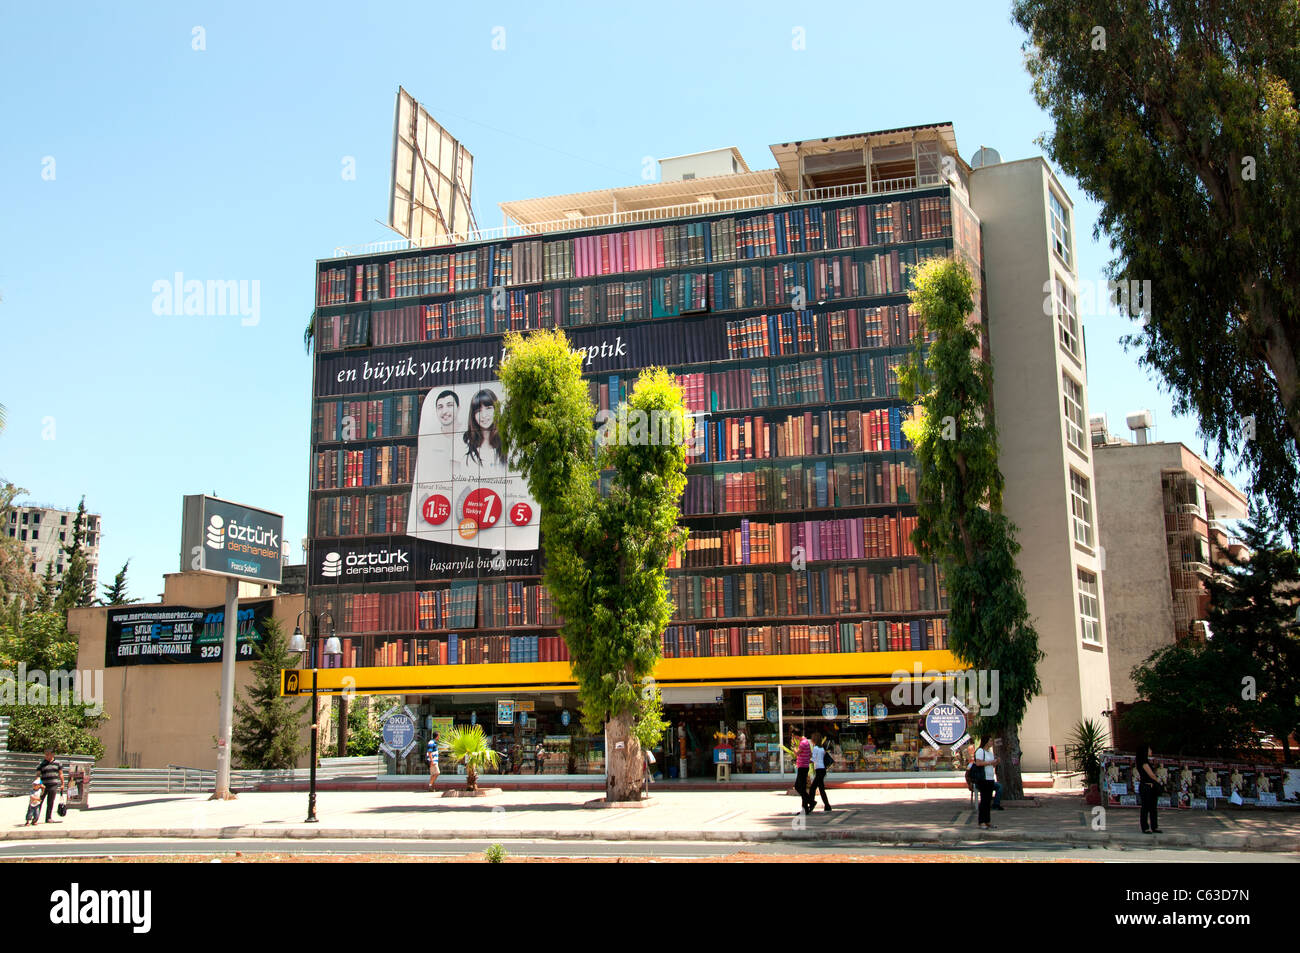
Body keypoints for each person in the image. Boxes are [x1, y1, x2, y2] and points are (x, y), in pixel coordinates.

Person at [463, 389, 506, 470]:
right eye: (478, 410)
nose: (484, 415)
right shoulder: (462, 443)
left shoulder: (507, 442)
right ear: (473, 414)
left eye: (488, 408)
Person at [1136, 743, 1162, 833]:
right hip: (1146, 786)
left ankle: (1155, 826)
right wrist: (1158, 781)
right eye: (1149, 749)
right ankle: (1145, 827)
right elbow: (1151, 774)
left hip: (1152, 787)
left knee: (1153, 808)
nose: (1151, 751)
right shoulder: (1143, 762)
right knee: (1145, 808)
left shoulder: (1147, 761)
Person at [974, 735, 999, 829]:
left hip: (990, 778)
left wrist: (996, 762)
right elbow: (978, 763)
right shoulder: (980, 751)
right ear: (986, 742)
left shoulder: (989, 752)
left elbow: (992, 765)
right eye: (990, 741)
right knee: (984, 800)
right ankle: (981, 821)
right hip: (983, 779)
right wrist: (990, 762)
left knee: (988, 801)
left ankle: (987, 821)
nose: (992, 743)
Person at [37, 749, 64, 824]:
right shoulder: (41, 764)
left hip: (53, 785)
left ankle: (48, 818)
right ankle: (35, 817)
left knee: (50, 802)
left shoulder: (58, 763)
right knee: (39, 801)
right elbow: (38, 776)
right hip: (43, 786)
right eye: (45, 754)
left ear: (52, 754)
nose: (46, 756)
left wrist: (62, 784)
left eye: (48, 754)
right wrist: (40, 784)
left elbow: (61, 774)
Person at [809, 733, 832, 812]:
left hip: (819, 770)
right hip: (822, 769)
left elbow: (813, 759)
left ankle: (811, 803)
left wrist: (804, 762)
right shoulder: (822, 748)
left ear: (814, 740)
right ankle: (827, 805)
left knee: (812, 788)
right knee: (821, 789)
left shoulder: (815, 748)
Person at [792, 730, 813, 814]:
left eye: (794, 736)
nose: (794, 738)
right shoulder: (805, 742)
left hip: (802, 767)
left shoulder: (803, 743)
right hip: (803, 766)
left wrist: (794, 746)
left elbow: (797, 753)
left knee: (798, 786)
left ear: (797, 736)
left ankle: (811, 802)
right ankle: (805, 808)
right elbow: (810, 754)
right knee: (802, 788)